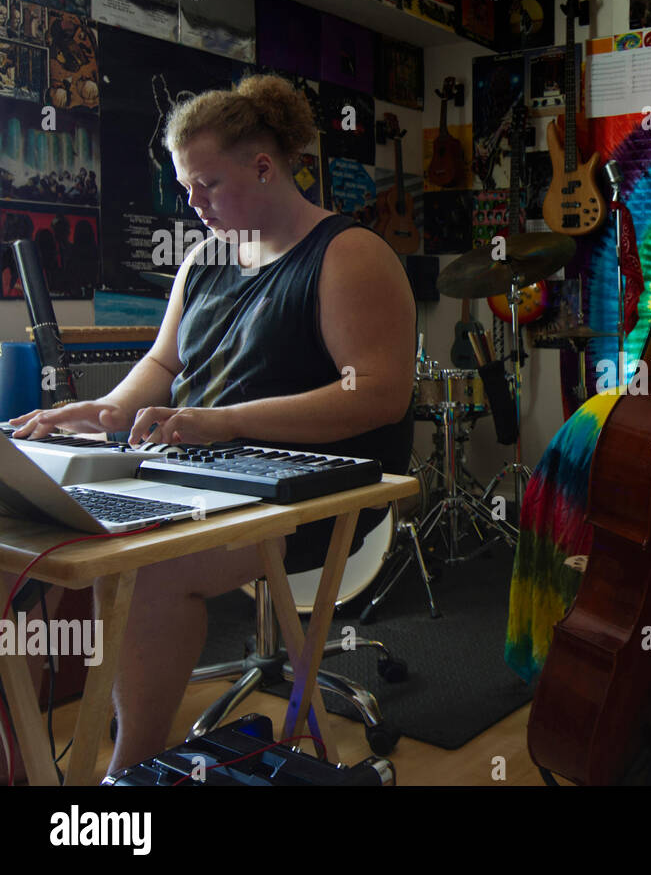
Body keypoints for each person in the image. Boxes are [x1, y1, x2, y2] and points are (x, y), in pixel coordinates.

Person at [4, 74, 416, 779]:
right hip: (198, 471)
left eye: (206, 186)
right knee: (24, 530)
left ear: (263, 166)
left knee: (148, 570)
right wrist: (105, 412)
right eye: (184, 188)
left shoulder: (349, 255)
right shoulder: (205, 261)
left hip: (311, 498)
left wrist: (220, 424)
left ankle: (131, 775)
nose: (192, 206)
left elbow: (378, 396)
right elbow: (162, 364)